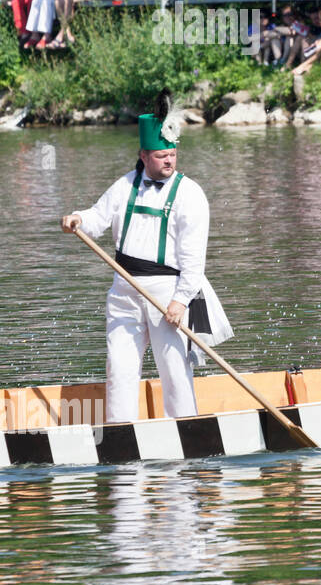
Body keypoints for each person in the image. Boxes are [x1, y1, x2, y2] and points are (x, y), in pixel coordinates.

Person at [59, 97, 232, 424]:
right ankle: (120, 433)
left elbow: (194, 261)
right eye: (160, 156)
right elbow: (98, 217)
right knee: (119, 369)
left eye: (172, 155)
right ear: (143, 156)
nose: (168, 161)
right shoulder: (126, 184)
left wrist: (181, 302)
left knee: (174, 370)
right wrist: (77, 218)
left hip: (168, 293)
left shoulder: (190, 194)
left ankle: (186, 430)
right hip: (123, 290)